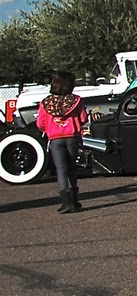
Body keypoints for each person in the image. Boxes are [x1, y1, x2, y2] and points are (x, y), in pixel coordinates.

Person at [36, 71, 89, 213]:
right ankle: (74, 201)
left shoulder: (46, 102)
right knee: (71, 167)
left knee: (61, 169)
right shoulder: (76, 100)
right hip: (72, 136)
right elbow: (83, 118)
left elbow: (40, 124)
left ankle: (66, 202)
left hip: (55, 138)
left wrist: (49, 128)